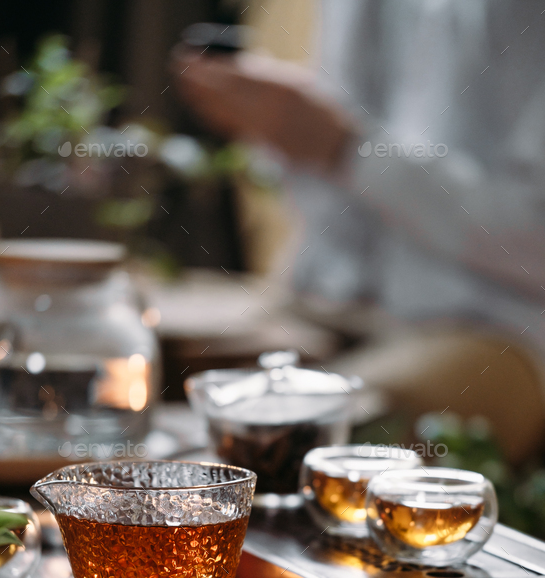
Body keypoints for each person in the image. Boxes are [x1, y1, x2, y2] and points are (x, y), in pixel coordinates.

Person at [173, 0, 545, 462]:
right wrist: (280, 128)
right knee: (159, 367)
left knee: (292, 443)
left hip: (496, 324)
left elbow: (534, 238)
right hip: (333, 299)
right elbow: (328, 185)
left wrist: (348, 148)